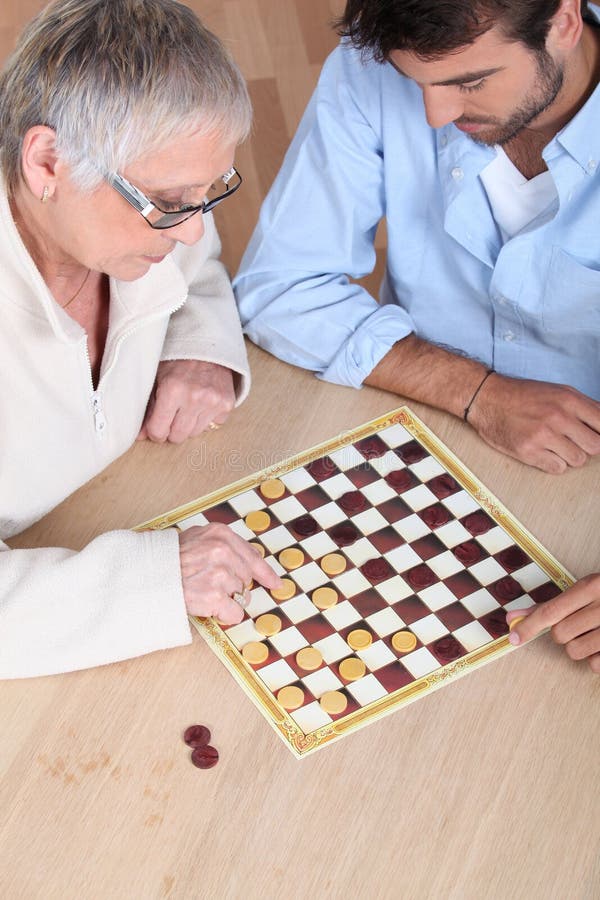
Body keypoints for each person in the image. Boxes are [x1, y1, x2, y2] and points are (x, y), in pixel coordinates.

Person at [234, 0, 600, 672]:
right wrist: (477, 392)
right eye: (415, 83)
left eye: (470, 82)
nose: (434, 115)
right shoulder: (373, 65)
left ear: (564, 22)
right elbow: (280, 286)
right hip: (414, 436)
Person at [0, 0, 282, 680]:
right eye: (170, 202)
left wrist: (200, 347)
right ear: (47, 162)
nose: (192, 228)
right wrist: (155, 581)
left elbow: (199, 267)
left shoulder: (135, 225)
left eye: (208, 193)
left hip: (126, 496)